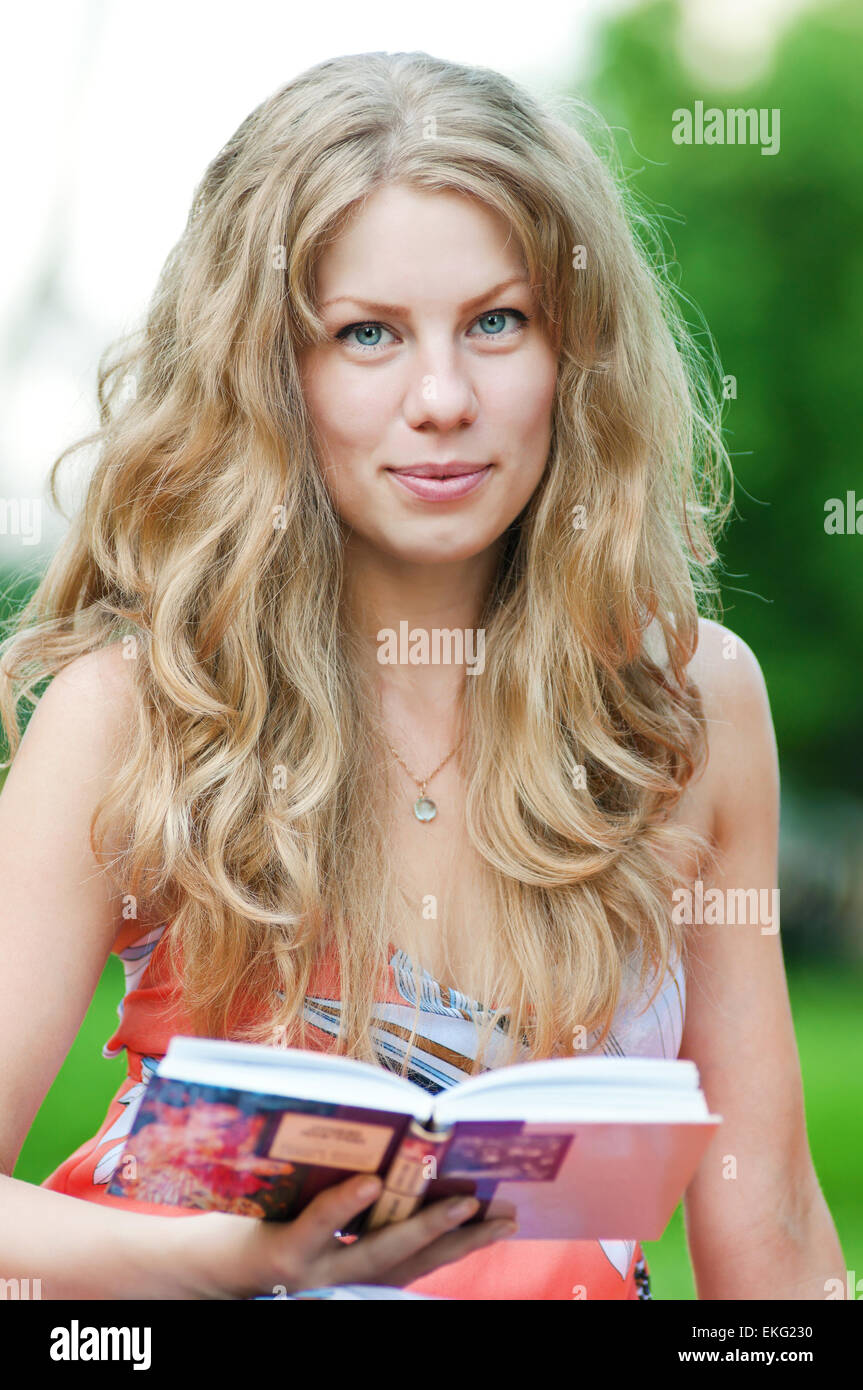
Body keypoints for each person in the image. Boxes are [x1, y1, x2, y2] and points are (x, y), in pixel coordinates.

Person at [0, 50, 844, 1301]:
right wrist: (224, 1260)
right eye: (366, 335)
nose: (441, 398)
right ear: (267, 371)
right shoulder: (139, 709)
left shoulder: (684, 702)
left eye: (496, 322)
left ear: (575, 354)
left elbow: (762, 1206)